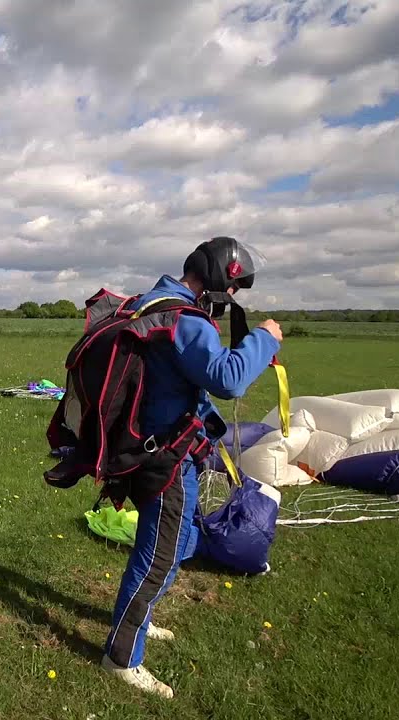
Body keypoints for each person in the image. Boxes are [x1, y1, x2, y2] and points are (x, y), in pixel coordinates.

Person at [100, 236, 282, 698]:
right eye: (234, 287)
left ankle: (141, 614)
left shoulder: (153, 303)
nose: (233, 298)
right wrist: (265, 338)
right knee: (160, 552)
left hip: (154, 448)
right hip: (164, 457)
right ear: (222, 276)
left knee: (176, 540)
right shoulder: (184, 318)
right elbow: (228, 379)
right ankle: (122, 655)